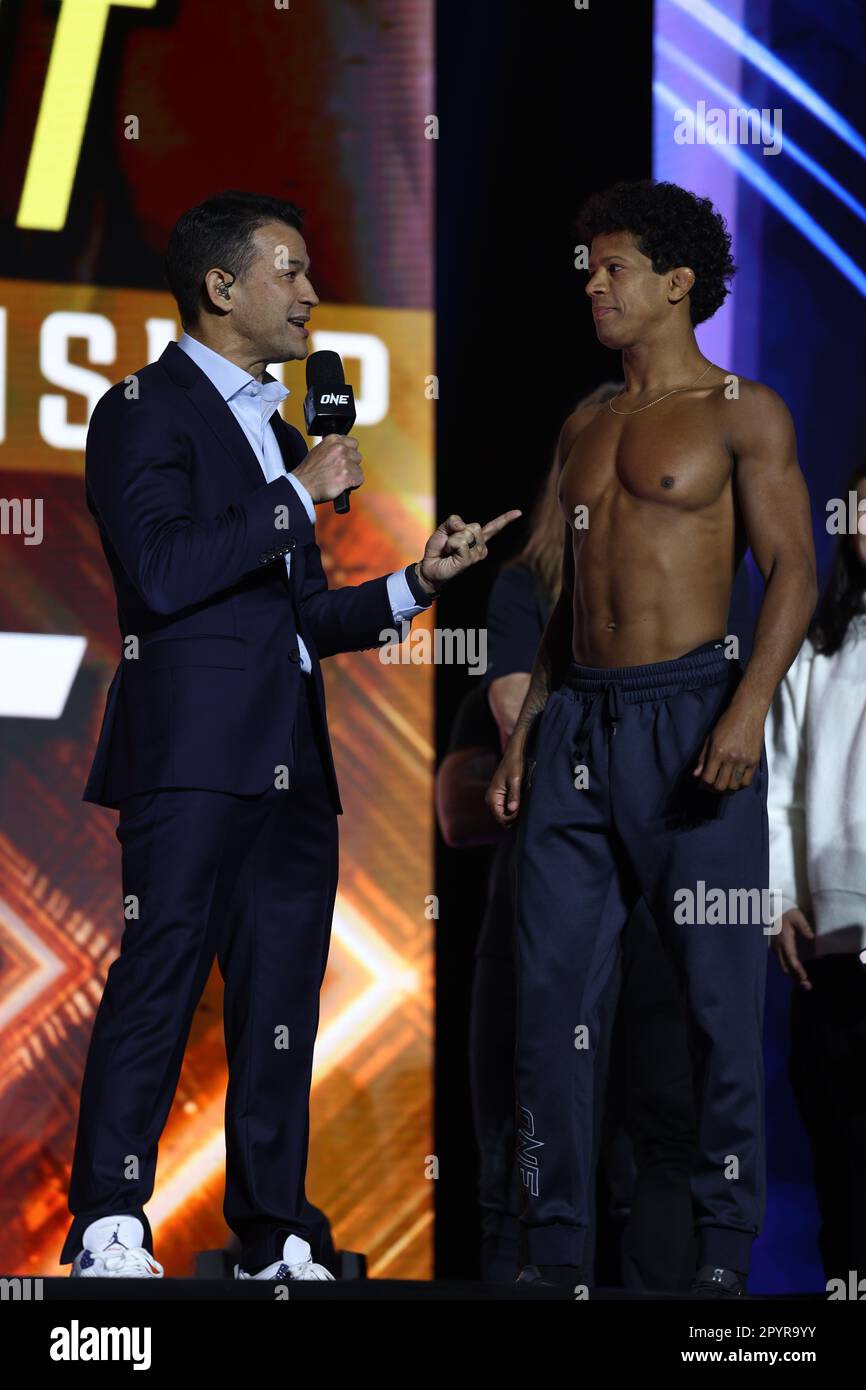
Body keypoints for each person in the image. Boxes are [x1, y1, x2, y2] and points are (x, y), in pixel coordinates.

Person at [61, 190, 519, 1280]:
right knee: (161, 975)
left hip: (292, 766)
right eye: (289, 270)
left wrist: (414, 583)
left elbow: (301, 619)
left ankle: (271, 1232)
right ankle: (107, 1223)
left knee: (278, 1003)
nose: (312, 292)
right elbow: (165, 571)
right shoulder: (142, 407)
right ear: (221, 288)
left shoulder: (271, 427)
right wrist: (293, 490)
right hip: (190, 755)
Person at [487, 178, 817, 1297]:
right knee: (549, 1008)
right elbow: (549, 579)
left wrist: (741, 712)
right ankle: (551, 1251)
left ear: (676, 284)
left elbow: (793, 574)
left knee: (719, 1007)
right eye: (588, 265)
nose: (593, 282)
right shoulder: (584, 421)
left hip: (691, 716)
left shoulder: (741, 411)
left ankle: (722, 1262)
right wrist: (528, 724)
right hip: (578, 717)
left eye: (613, 265)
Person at [767, 461, 866, 1284]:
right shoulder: (820, 651)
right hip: (834, 954)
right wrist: (778, 903)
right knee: (844, 1172)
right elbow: (779, 791)